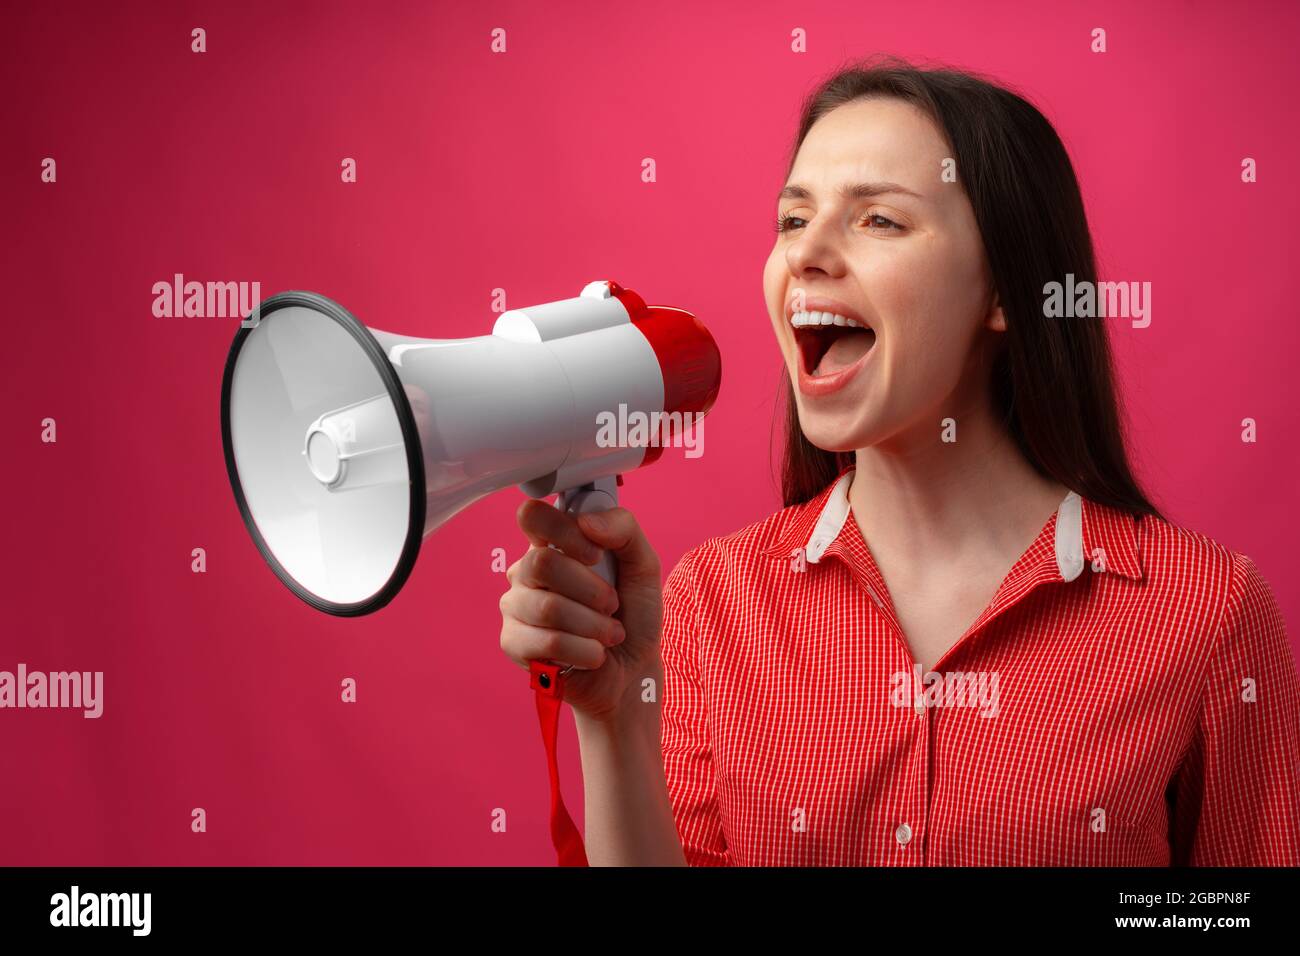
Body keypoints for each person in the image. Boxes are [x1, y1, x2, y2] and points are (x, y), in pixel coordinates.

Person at [497, 57, 1300, 866]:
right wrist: (614, 720)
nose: (806, 254)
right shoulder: (715, 602)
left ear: (1005, 295)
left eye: (879, 220)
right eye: (792, 220)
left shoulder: (1209, 611)